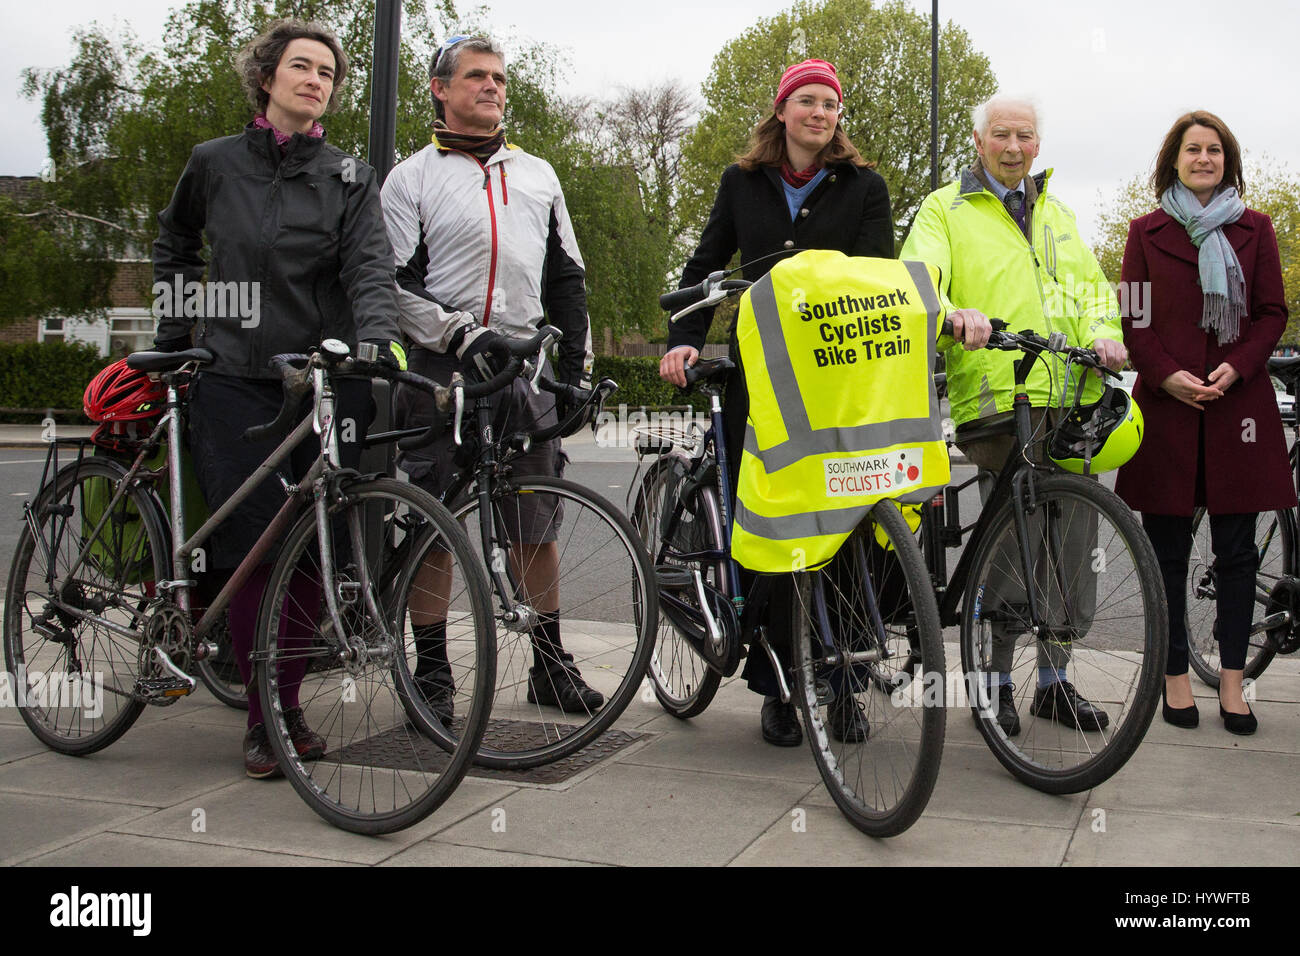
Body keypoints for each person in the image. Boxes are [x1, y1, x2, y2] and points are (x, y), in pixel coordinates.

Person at [660, 58, 987, 746]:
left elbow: (874, 276)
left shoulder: (864, 185)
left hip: (841, 380)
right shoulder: (741, 182)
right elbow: (705, 267)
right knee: (779, 531)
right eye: (806, 101)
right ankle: (780, 685)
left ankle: (841, 684)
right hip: (767, 378)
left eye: (830, 104)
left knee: (846, 530)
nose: (819, 112)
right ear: (781, 111)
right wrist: (684, 339)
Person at [152, 18, 402, 777]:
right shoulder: (214, 165)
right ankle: (273, 717)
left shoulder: (349, 177)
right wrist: (175, 329)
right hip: (232, 378)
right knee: (256, 546)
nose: (315, 79)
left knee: (304, 551)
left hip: (317, 382)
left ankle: (279, 700)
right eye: (301, 65)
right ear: (267, 78)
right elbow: (175, 241)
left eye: (327, 71)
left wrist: (378, 340)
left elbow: (369, 268)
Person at [380, 35, 598, 719]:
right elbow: (393, 284)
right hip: (442, 370)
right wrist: (456, 333)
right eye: (476, 77)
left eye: (500, 78)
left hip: (521, 366)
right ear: (440, 90)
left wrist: (574, 370)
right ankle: (435, 671)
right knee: (435, 522)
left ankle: (552, 667)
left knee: (536, 521)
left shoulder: (539, 173)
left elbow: (568, 277)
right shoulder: (409, 177)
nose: (493, 88)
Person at [900, 93, 1126, 736]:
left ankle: (1053, 681)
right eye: (1000, 134)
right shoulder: (946, 208)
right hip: (998, 399)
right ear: (978, 140)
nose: (1012, 146)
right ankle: (994, 681)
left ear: (1037, 145)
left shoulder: (1057, 214)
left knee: (1076, 538)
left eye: (1024, 135)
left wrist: (1106, 333)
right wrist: (951, 314)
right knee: (1017, 530)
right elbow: (918, 279)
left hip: (1071, 395)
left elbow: (1092, 293)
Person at [1115, 110, 1293, 735]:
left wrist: (1238, 368)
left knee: (1238, 552)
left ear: (1228, 160)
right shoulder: (1146, 232)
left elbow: (1272, 312)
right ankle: (1175, 679)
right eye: (1193, 150)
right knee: (1165, 551)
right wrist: (1163, 374)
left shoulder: (1255, 228)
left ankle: (1236, 683)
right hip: (1166, 408)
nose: (1204, 159)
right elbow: (1134, 318)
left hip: (1236, 409)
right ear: (1174, 160)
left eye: (1214, 150)